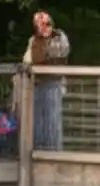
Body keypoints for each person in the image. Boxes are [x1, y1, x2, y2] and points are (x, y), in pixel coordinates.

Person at [22, 11, 70, 150]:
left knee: (53, 120)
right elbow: (27, 59)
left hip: (54, 82)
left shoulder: (59, 37)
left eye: (47, 24)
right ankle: (38, 150)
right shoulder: (33, 40)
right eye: (40, 24)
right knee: (38, 120)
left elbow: (61, 53)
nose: (44, 27)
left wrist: (45, 42)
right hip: (37, 83)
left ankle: (54, 151)